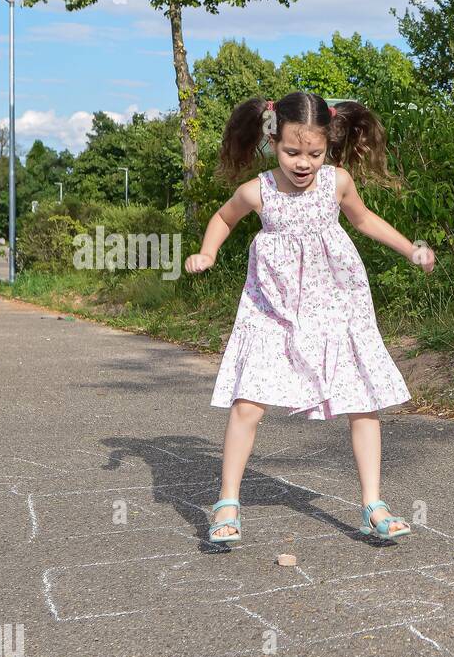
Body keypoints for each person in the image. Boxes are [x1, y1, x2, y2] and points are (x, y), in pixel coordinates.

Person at [184, 91, 434, 543]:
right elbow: (223, 218)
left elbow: (364, 220)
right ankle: (226, 503)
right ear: (271, 140)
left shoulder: (336, 182)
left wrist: (410, 248)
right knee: (248, 402)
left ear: (329, 145)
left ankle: (373, 504)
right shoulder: (257, 191)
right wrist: (207, 252)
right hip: (273, 310)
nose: (303, 163)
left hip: (337, 306)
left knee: (363, 400)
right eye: (291, 151)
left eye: (314, 153)